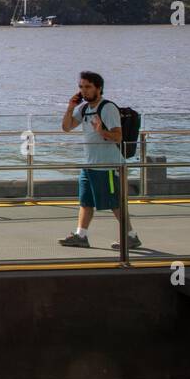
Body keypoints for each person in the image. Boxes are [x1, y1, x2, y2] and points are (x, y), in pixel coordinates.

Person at [58, 71, 140, 250]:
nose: (84, 91)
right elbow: (67, 127)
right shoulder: (85, 108)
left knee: (114, 203)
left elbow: (118, 137)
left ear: (99, 88)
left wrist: (101, 131)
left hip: (107, 166)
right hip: (89, 165)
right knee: (85, 201)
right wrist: (70, 107)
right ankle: (81, 236)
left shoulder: (108, 108)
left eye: (88, 87)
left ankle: (131, 236)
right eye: (81, 87)